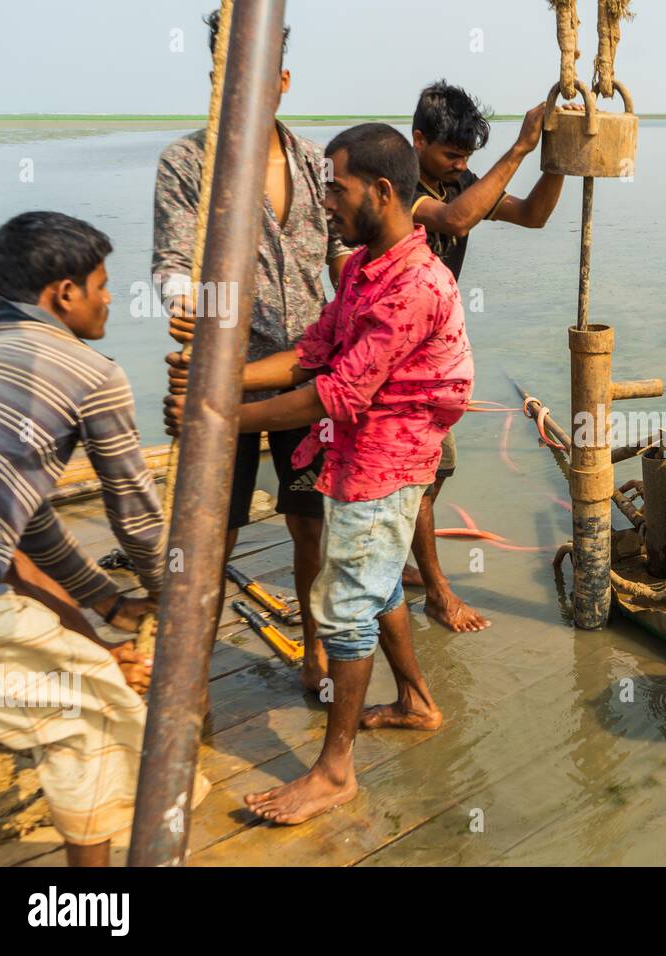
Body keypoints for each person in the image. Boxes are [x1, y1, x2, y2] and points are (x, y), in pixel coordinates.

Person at [167, 124, 472, 824]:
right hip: (362, 455)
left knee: (342, 611)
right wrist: (221, 383)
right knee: (381, 582)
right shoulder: (369, 266)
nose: (326, 201)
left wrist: (218, 417)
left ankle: (335, 771)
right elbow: (312, 352)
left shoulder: (415, 285)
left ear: (383, 191)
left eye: (336, 187)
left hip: (385, 464)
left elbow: (334, 393)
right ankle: (418, 702)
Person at [153, 8, 349, 692]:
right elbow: (173, 266)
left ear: (281, 80)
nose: (236, 88)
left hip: (305, 377)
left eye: (253, 74)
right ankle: (190, 677)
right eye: (223, 75)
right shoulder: (186, 163)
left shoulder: (314, 163)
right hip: (224, 382)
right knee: (214, 535)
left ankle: (318, 654)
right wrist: (187, 304)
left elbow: (342, 257)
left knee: (309, 525)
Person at [0, 211, 170, 865]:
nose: (110, 297)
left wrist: (108, 604)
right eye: (102, 283)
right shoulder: (93, 374)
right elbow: (138, 520)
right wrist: (171, 589)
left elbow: (22, 529)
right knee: (97, 724)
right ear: (65, 294)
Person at [399, 81, 567, 632]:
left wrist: (558, 159)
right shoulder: (399, 184)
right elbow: (454, 220)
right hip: (396, 352)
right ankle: (436, 590)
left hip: (435, 351)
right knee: (425, 470)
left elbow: (533, 215)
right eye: (451, 155)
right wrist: (518, 148)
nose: (459, 167)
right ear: (418, 139)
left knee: (433, 470)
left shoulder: (460, 180)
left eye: (467, 158)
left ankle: (405, 560)